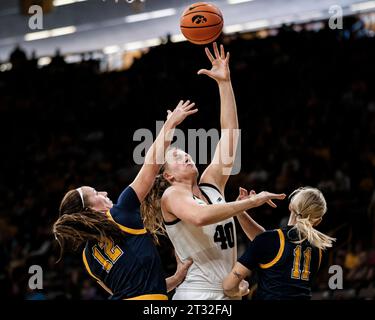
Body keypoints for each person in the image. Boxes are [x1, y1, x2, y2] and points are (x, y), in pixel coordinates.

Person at [142, 43, 286, 300]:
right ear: (168, 176)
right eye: (176, 157)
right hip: (196, 295)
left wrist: (224, 83)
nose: (185, 155)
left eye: (184, 152)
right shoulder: (172, 196)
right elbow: (199, 216)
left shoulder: (211, 184)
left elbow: (230, 134)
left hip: (228, 292)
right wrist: (249, 203)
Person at [53, 100, 197, 300]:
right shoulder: (120, 214)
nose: (103, 193)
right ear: (90, 210)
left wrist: (177, 277)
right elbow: (152, 164)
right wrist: (170, 124)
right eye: (95, 193)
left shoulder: (88, 258)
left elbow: (140, 290)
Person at [223, 187, 336, 300]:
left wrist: (240, 291)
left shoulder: (271, 240)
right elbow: (268, 244)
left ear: (290, 206)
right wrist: (240, 211)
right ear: (318, 220)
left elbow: (228, 287)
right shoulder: (319, 249)